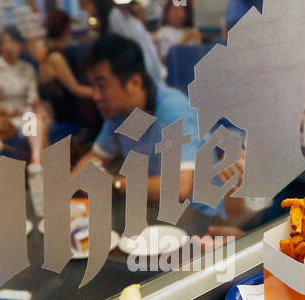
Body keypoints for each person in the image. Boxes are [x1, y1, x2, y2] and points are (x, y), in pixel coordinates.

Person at [73, 35, 247, 220]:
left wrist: (115, 185)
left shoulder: (172, 110)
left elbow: (180, 188)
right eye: (92, 86)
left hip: (196, 215)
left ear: (134, 83)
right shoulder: (122, 113)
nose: (96, 96)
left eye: (102, 85)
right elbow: (95, 157)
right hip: (151, 208)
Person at [0, 24, 47, 162]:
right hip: (4, 115)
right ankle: (38, 166)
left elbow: (32, 93)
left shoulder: (27, 68)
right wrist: (7, 110)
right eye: (4, 42)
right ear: (0, 47)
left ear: (20, 45)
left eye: (13, 42)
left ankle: (36, 161)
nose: (9, 46)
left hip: (26, 112)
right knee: (36, 122)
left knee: (36, 120)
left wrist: (34, 100)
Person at [34, 8, 97, 145]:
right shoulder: (55, 57)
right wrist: (102, 93)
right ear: (67, 28)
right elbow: (76, 89)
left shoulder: (50, 54)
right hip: (69, 115)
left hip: (70, 110)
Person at [88, 0, 165, 86]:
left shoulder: (114, 16)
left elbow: (123, 43)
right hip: (143, 56)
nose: (87, 9)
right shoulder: (116, 14)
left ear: (96, 3)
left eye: (87, 4)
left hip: (142, 58)